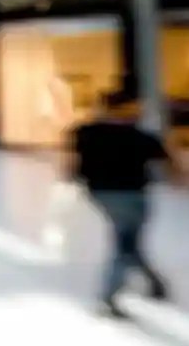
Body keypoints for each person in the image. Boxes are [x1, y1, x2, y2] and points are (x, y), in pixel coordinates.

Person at [69, 89, 172, 318]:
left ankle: (156, 284)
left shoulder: (84, 132)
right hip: (132, 195)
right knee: (125, 244)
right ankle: (108, 297)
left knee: (127, 240)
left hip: (100, 194)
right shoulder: (141, 136)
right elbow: (168, 163)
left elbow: (74, 164)